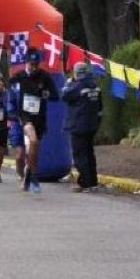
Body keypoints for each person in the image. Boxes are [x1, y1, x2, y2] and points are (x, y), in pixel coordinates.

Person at [8, 47, 59, 193]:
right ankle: (28, 176)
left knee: (34, 149)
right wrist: (11, 112)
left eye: (36, 64)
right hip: (24, 117)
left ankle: (31, 175)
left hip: (39, 118)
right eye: (31, 64)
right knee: (33, 141)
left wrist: (45, 94)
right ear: (26, 63)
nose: (34, 67)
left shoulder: (44, 76)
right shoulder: (19, 76)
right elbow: (9, 89)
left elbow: (55, 96)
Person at [61, 62, 103, 192]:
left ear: (76, 73)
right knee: (89, 153)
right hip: (92, 125)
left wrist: (68, 83)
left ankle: (84, 183)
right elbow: (100, 107)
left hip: (78, 125)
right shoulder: (95, 85)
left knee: (80, 154)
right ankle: (93, 181)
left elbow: (64, 95)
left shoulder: (77, 85)